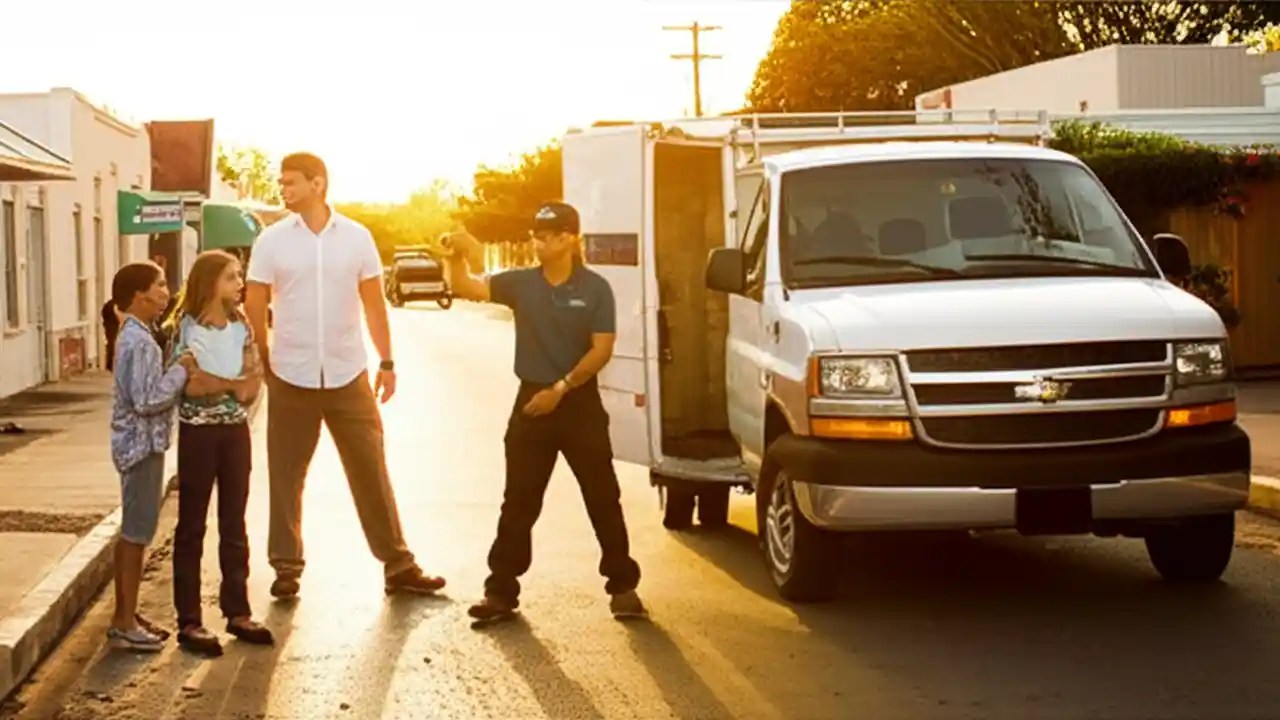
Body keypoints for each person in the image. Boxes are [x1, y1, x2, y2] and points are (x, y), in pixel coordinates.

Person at [243, 152, 445, 599]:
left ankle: (398, 565)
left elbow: (374, 303)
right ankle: (286, 567)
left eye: (291, 182)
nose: (284, 189)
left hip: (348, 373)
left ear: (318, 184)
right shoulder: (272, 240)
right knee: (286, 475)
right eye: (281, 182)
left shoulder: (357, 237)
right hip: (291, 374)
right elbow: (254, 301)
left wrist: (387, 361)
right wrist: (261, 356)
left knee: (371, 468)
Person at [442, 202, 646, 626]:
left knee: (602, 496)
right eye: (535, 233)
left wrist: (563, 388)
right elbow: (466, 286)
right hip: (532, 402)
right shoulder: (521, 284)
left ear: (570, 237)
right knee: (519, 500)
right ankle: (500, 593)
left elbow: (602, 348)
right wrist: (455, 255)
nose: (539, 241)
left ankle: (623, 587)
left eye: (549, 234)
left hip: (578, 402)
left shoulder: (595, 289)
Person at [169, 250, 274, 656]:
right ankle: (190, 621)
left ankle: (238, 611)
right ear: (212, 281)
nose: (239, 283)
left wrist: (220, 382)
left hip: (234, 434)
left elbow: (251, 386)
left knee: (235, 523)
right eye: (232, 277)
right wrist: (229, 384)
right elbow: (190, 386)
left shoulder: (242, 325)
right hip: (197, 436)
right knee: (191, 526)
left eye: (240, 276)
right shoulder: (186, 327)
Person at [107, 260, 203, 651]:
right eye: (160, 285)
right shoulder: (139, 341)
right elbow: (147, 400)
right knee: (136, 535)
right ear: (139, 295)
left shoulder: (137, 335)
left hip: (138, 446)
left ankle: (124, 615)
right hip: (141, 447)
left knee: (135, 532)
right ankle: (125, 624)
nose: (166, 292)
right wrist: (180, 370)